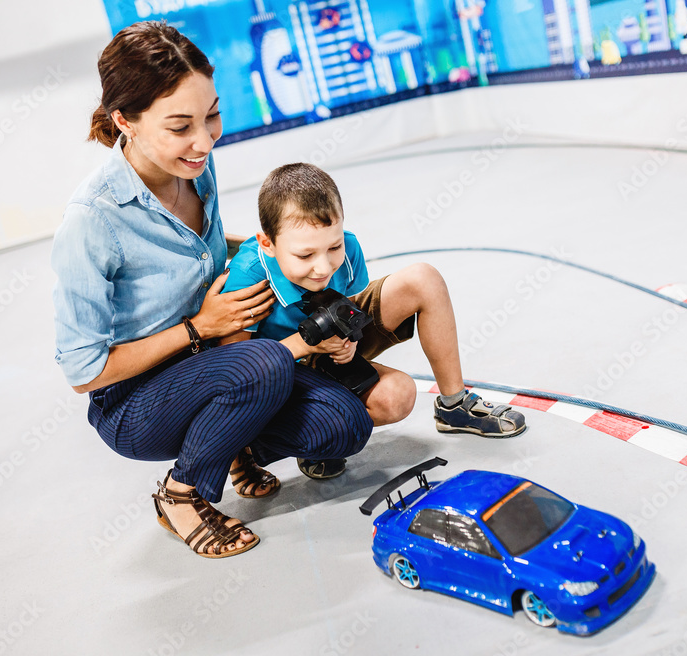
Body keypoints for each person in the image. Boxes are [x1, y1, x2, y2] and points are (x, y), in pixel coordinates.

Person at [51, 22, 373, 559]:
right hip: (137, 400)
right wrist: (199, 327)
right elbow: (84, 372)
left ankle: (229, 442)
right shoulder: (92, 222)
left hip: (221, 362)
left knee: (344, 426)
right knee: (266, 362)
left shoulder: (195, 167)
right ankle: (181, 495)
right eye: (180, 126)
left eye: (211, 115)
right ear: (124, 120)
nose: (204, 141)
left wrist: (277, 252)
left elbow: (199, 248)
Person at [221, 163, 527, 480]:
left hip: (327, 336)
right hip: (281, 367)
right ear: (267, 244)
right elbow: (238, 370)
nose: (323, 267)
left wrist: (347, 338)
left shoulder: (348, 247)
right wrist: (307, 346)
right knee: (393, 398)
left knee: (424, 280)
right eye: (305, 255)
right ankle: (307, 440)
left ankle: (454, 404)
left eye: (334, 247)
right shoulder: (248, 277)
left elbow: (346, 306)